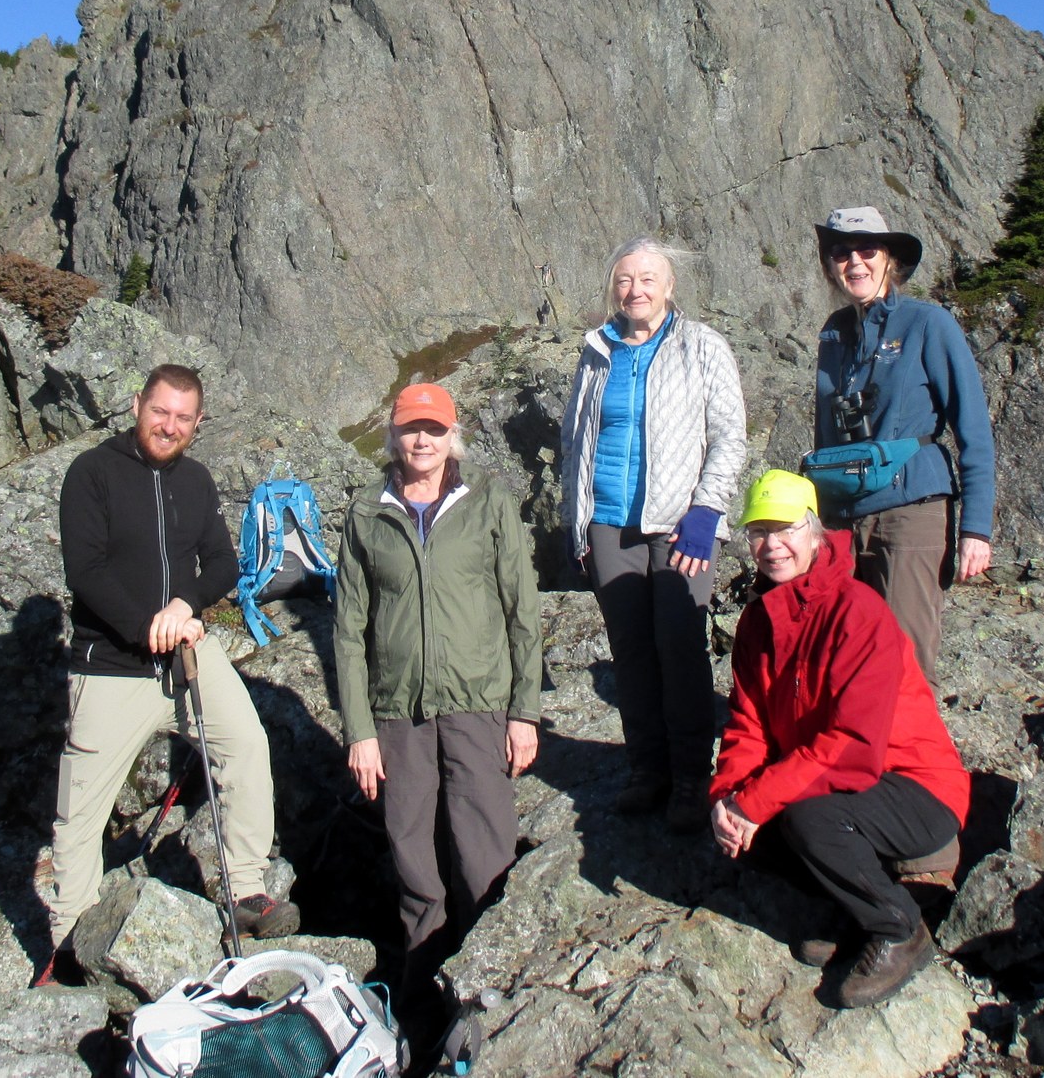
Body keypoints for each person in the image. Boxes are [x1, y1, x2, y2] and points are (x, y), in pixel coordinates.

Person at [38, 364, 298, 983]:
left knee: (246, 746)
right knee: (81, 808)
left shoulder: (196, 480)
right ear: (137, 405)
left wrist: (185, 605)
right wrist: (145, 625)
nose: (169, 426)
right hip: (112, 667)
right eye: (160, 412)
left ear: (198, 423)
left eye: (183, 418)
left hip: (188, 657)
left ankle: (246, 889)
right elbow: (85, 571)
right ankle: (71, 937)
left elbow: (223, 563)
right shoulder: (91, 473)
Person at [709, 471, 970, 1009]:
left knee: (808, 817)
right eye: (759, 532)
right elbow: (748, 724)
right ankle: (850, 911)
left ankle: (899, 927)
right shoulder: (759, 620)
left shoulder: (857, 611)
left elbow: (852, 744)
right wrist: (729, 796)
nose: (772, 545)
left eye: (785, 529)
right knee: (742, 825)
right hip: (837, 782)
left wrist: (758, 801)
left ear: (815, 534)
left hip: (914, 786)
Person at [335, 383, 542, 992]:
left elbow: (522, 611)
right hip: (397, 713)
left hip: (479, 705)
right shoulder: (366, 513)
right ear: (392, 435)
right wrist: (359, 732)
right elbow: (347, 632)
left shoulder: (489, 501)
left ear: (453, 436)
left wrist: (525, 712)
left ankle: (490, 993)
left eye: (434, 428)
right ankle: (423, 997)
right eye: (410, 428)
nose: (421, 440)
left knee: (486, 857)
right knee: (413, 863)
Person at [559, 237, 747, 832]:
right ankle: (647, 768)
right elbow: (575, 441)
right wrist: (578, 522)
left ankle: (691, 775)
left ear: (669, 287)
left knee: (681, 644)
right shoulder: (597, 351)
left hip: (680, 523)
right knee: (631, 649)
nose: (634, 290)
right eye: (624, 279)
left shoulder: (702, 345)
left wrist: (707, 510)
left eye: (647, 279)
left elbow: (730, 434)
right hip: (609, 522)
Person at [811, 205, 995, 679]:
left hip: (911, 510)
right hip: (843, 517)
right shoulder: (834, 333)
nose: (855, 261)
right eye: (841, 252)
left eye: (867, 249)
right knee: (845, 662)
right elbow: (825, 433)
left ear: (888, 258)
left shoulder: (928, 324)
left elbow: (973, 428)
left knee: (905, 665)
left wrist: (976, 529)